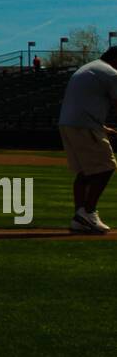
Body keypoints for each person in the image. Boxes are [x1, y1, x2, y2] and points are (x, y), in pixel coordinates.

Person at [57, 47, 117, 234]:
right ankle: (89, 212)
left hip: (69, 123)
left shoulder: (90, 68)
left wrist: (102, 126)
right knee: (106, 166)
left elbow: (84, 101)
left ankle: (79, 218)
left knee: (85, 172)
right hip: (84, 125)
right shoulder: (110, 73)